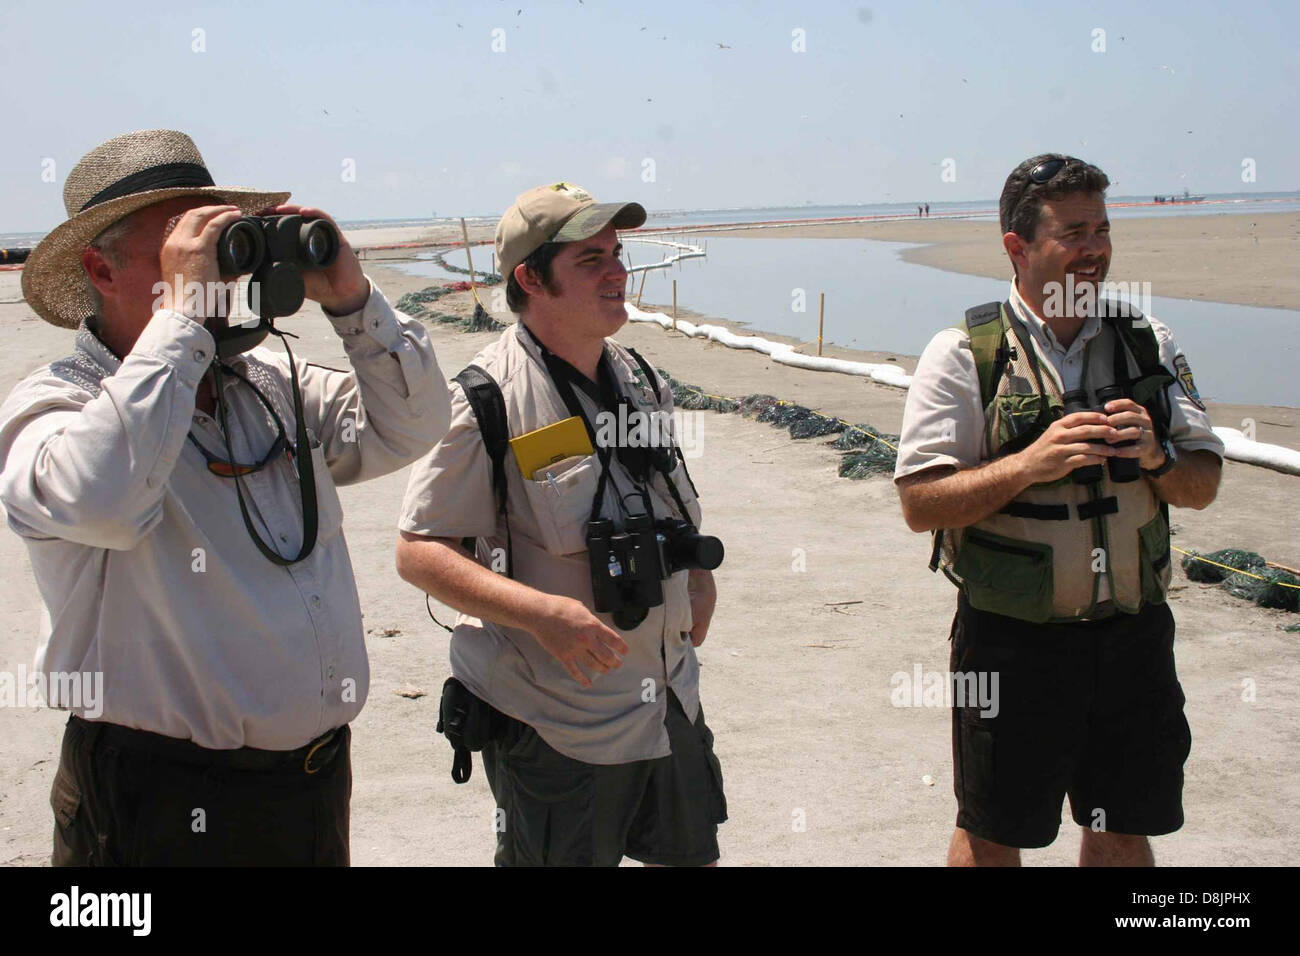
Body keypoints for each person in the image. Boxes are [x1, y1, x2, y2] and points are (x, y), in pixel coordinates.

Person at [0, 129, 452, 865]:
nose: (211, 271)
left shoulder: (266, 385)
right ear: (98, 267)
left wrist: (351, 299)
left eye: (221, 241)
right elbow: (104, 498)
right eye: (184, 248)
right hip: (155, 804)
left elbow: (413, 426)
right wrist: (181, 322)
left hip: (308, 791)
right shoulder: (54, 407)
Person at [894, 153, 1223, 867]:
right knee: (994, 829)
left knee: (1124, 823)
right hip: (1013, 641)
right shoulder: (963, 355)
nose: (1097, 247)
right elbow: (920, 503)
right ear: (1018, 246)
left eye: (1102, 228)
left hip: (1134, 637)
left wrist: (1160, 457)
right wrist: (1029, 464)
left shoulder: (1148, 344)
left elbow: (1203, 485)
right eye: (1074, 231)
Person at [395, 182, 726, 867]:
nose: (618, 272)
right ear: (530, 279)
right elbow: (419, 552)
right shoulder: (484, 401)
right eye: (590, 259)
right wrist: (542, 614)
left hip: (666, 699)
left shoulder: (639, 379)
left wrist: (696, 573)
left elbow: (663, 500)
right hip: (558, 721)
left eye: (617, 252)